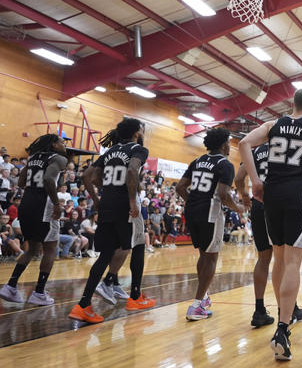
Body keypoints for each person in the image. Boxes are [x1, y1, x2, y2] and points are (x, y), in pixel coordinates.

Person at [238, 88, 302, 361]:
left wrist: (256, 181)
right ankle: (282, 329)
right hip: (297, 196)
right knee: (292, 262)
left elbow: (243, 143)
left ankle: (284, 317)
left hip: (271, 195)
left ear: (292, 104)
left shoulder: (272, 125)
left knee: (278, 259)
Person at [68, 118, 155, 323]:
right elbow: (132, 170)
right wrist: (132, 201)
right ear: (136, 133)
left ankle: (83, 305)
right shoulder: (138, 149)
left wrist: (98, 199)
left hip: (106, 204)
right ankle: (135, 297)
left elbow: (88, 176)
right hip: (125, 206)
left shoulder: (110, 151)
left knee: (105, 254)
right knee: (139, 245)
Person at [176, 128, 243, 321]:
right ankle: (196, 306)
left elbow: (180, 187)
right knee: (211, 258)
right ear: (223, 144)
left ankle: (203, 297)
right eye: (228, 142)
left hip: (192, 211)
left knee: (203, 255)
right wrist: (238, 208)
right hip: (211, 214)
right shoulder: (225, 164)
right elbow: (223, 195)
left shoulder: (197, 161)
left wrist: (193, 202)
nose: (229, 146)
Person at [0, 134, 68, 305]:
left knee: (32, 249)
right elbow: (48, 179)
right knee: (51, 248)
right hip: (43, 206)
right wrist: (56, 204)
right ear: (54, 145)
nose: (65, 145)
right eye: (62, 142)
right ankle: (39, 292)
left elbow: (21, 182)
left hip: (26, 203)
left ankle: (10, 286)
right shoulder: (59, 158)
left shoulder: (33, 158)